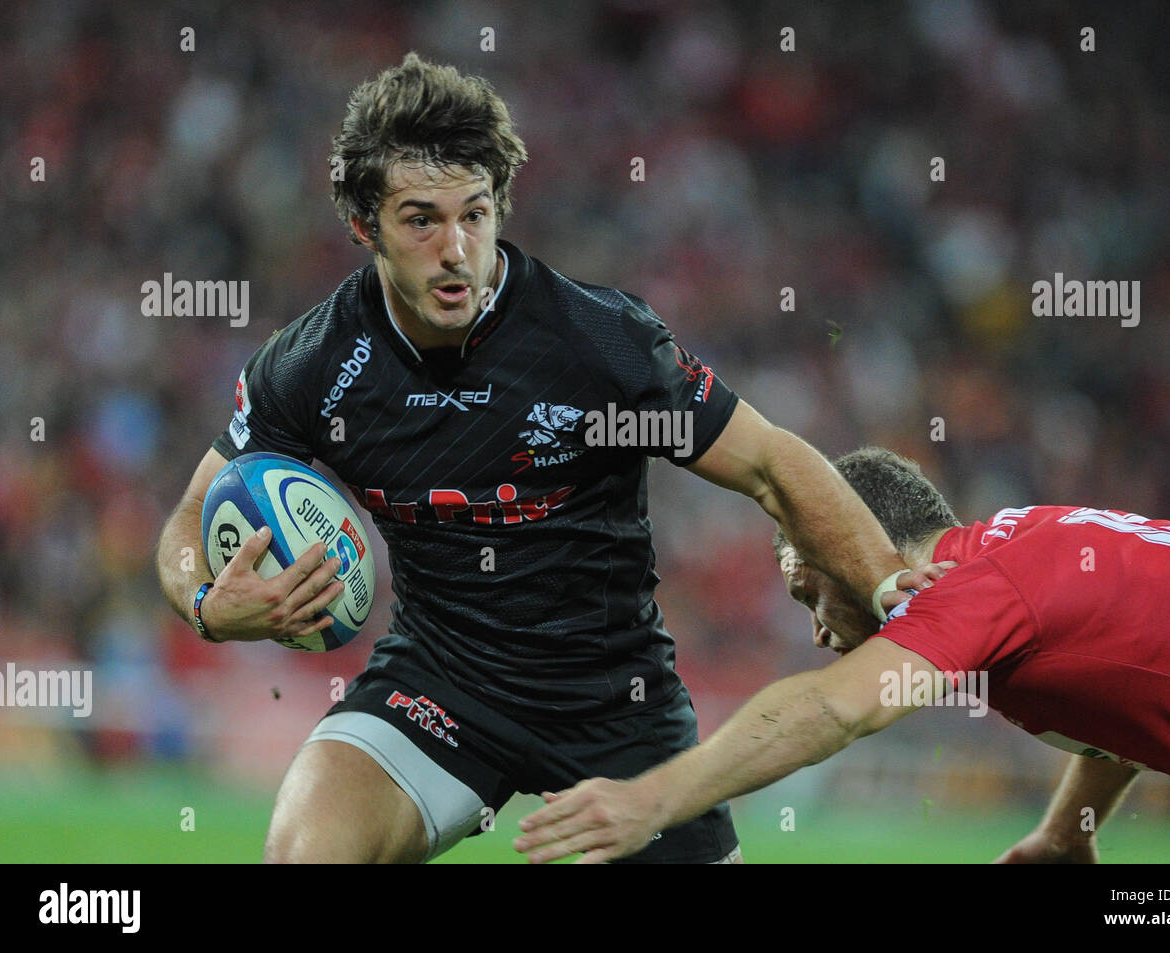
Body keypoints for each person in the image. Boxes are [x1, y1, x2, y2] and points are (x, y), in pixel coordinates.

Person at [153, 55, 930, 864]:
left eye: (475, 214)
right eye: (421, 219)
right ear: (364, 224)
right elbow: (190, 512)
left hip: (615, 705)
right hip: (439, 684)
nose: (456, 249)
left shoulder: (599, 343)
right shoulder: (313, 364)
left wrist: (884, 579)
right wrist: (209, 601)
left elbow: (770, 462)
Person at [514, 446, 1170, 864]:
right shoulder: (1016, 553)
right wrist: (1064, 831)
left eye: (808, 591)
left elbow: (829, 708)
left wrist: (649, 801)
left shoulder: (974, 592)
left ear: (850, 543)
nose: (818, 630)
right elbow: (1128, 679)